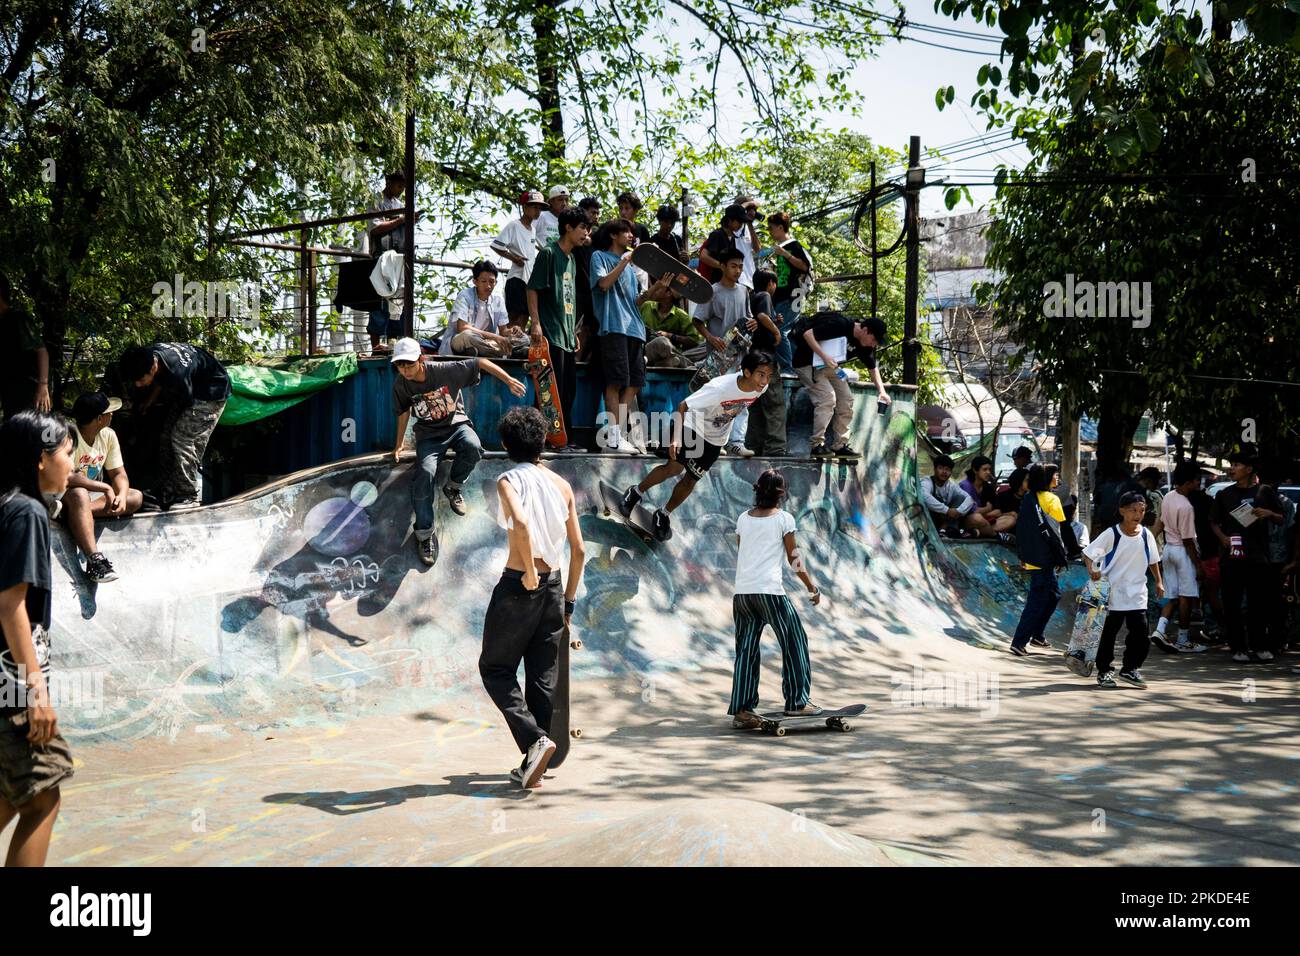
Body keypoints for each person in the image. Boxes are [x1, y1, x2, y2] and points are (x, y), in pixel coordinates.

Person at [479, 407, 585, 789]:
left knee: (495, 669)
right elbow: (579, 549)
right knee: (542, 673)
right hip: (555, 587)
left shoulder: (507, 480)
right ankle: (533, 764)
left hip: (519, 585)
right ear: (543, 442)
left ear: (506, 444)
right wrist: (569, 600)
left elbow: (521, 523)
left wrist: (526, 569)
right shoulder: (562, 485)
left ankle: (535, 741)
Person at [0, 409, 76, 866]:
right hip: (9, 688)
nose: (75, 465)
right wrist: (36, 692)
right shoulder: (25, 513)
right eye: (68, 454)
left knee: (12, 793)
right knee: (43, 798)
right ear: (40, 459)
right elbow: (11, 607)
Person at [389, 338, 526, 564]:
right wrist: (399, 443)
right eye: (400, 366)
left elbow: (479, 362)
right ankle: (424, 534)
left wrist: (508, 379)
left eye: (409, 365)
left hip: (456, 426)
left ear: (421, 360)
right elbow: (403, 412)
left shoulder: (444, 371)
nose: (405, 371)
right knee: (424, 475)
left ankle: (453, 487)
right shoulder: (401, 384)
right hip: (429, 436)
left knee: (474, 447)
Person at [618, 351, 775, 541]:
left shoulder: (761, 388)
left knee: (691, 479)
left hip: (716, 439)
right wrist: (676, 438)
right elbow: (683, 405)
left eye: (769, 376)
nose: (765, 381)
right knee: (674, 468)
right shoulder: (719, 388)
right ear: (747, 372)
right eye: (761, 374)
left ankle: (663, 513)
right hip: (693, 427)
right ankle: (635, 492)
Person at [729, 469, 823, 729]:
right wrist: (811, 587)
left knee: (746, 650)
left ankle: (743, 710)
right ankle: (797, 702)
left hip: (743, 594)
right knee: (794, 640)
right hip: (770, 593)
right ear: (782, 495)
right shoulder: (784, 519)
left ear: (757, 491)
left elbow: (743, 550)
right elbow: (794, 559)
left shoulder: (743, 519)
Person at [118, 342, 231, 511]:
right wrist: (151, 400)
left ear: (153, 367)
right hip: (191, 387)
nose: (138, 385)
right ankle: (167, 490)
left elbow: (188, 411)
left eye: (141, 380)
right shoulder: (149, 354)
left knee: (182, 438)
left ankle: (188, 494)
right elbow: (162, 380)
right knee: (165, 437)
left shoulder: (178, 374)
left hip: (212, 391)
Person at [590, 219, 669, 454]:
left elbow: (636, 300)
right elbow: (603, 284)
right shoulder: (600, 257)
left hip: (635, 329)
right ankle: (614, 438)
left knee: (634, 383)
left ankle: (618, 435)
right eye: (626, 232)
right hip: (613, 327)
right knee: (615, 381)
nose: (631, 236)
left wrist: (657, 289)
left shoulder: (631, 270)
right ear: (614, 235)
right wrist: (624, 261)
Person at [1082, 491, 1164, 688]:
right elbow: (1089, 554)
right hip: (1113, 594)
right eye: (1133, 510)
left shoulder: (1146, 535)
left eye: (1142, 510)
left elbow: (1153, 561)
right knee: (1108, 635)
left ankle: (1130, 669)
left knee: (1141, 635)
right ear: (1122, 511)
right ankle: (1104, 671)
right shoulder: (1111, 535)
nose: (1138, 514)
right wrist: (1092, 569)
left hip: (1137, 594)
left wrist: (1159, 582)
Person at [1210, 448, 1285, 662]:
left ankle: (1260, 646)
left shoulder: (1264, 492)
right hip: (1231, 557)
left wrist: (1269, 513)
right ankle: (1237, 648)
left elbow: (1281, 518)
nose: (1231, 469)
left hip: (1258, 557)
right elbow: (1213, 522)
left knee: (1258, 604)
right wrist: (1223, 538)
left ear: (1249, 469)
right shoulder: (1224, 494)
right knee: (1232, 604)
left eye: (1236, 465)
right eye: (1231, 465)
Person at [62, 393, 144, 583]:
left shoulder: (108, 435)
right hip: (67, 492)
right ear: (99, 418)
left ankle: (75, 515)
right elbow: (66, 476)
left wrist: (121, 495)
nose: (112, 415)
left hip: (88, 499)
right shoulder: (68, 436)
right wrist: (105, 488)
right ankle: (95, 561)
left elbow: (118, 473)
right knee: (80, 494)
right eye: (108, 412)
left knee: (135, 497)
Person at [527, 208, 590, 449]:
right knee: (548, 391)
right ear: (568, 228)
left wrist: (573, 331)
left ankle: (561, 440)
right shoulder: (548, 254)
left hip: (566, 334)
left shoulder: (573, 259)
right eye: (582, 227)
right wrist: (536, 323)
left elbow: (569, 298)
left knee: (567, 392)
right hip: (549, 333)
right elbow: (532, 288)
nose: (586, 233)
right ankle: (536, 441)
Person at [792, 312, 891, 459]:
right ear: (865, 331)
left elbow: (872, 367)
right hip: (807, 363)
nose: (874, 344)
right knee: (827, 398)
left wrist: (882, 391)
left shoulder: (864, 345)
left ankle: (840, 445)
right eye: (874, 339)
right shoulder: (840, 324)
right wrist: (824, 356)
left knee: (847, 398)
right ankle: (817, 445)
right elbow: (808, 334)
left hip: (831, 367)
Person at [691, 248, 755, 457]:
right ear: (723, 266)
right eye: (734, 266)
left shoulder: (745, 291)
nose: (737, 270)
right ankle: (714, 442)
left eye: (740, 266)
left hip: (741, 356)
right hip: (718, 358)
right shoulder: (712, 291)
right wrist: (710, 338)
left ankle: (736, 442)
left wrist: (754, 323)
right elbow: (697, 320)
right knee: (719, 400)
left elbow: (747, 319)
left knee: (741, 401)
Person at [1009, 464, 1068, 655]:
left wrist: (1023, 554)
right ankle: (1019, 642)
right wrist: (1065, 555)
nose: (1057, 478)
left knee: (1053, 595)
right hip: (1045, 558)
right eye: (1055, 475)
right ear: (1047, 478)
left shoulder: (1028, 498)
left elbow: (1022, 529)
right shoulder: (1052, 500)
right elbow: (1060, 532)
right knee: (1037, 600)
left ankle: (1037, 635)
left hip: (1033, 556)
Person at [1150, 461, 1208, 654]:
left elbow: (1160, 523)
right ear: (1190, 481)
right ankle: (1183, 639)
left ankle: (1159, 630)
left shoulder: (1168, 497)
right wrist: (1198, 565)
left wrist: (1148, 544)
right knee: (1186, 598)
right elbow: (1188, 541)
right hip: (1182, 552)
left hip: (1168, 550)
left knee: (1172, 597)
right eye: (1197, 479)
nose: (1199, 483)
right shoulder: (1186, 507)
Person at [366, 172, 419, 351]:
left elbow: (401, 226)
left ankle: (393, 342)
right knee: (380, 301)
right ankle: (375, 345)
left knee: (399, 301)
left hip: (399, 257)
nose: (401, 190)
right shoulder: (375, 201)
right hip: (381, 257)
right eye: (398, 186)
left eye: (403, 188)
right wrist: (401, 220)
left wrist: (409, 221)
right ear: (388, 182)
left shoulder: (400, 205)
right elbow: (374, 229)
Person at [744, 269, 787, 456]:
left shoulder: (752, 297)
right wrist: (776, 332)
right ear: (770, 282)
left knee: (755, 404)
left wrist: (775, 321)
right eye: (775, 283)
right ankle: (776, 447)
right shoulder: (764, 296)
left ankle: (755, 445)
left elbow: (762, 320)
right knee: (774, 403)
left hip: (753, 356)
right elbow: (762, 317)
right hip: (765, 357)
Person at [765, 212, 812, 374]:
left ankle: (788, 368)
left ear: (780, 227)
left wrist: (785, 254)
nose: (770, 232)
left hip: (793, 296)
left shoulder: (792, 245)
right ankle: (794, 366)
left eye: (771, 228)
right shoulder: (780, 248)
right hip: (783, 296)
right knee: (786, 332)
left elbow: (805, 266)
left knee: (779, 330)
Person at [0, 274, 51, 419]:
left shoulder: (18, 319)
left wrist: (43, 386)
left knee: (33, 433)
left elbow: (41, 351)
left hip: (29, 394)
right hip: (9, 396)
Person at [1257, 461, 1296, 656]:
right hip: (1259, 559)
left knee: (1277, 603)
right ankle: (1264, 640)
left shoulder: (1285, 504)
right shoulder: (1255, 501)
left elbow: (1291, 533)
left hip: (1278, 561)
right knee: (1261, 602)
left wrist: (1292, 562)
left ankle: (1277, 639)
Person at [491, 191, 546, 326]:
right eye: (534, 207)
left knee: (525, 315)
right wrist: (514, 258)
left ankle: (515, 345)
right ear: (524, 207)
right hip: (517, 277)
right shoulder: (514, 225)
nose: (537, 211)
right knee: (513, 316)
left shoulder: (532, 229)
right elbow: (496, 245)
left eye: (539, 208)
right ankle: (505, 343)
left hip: (529, 278)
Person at [443, 261, 517, 357]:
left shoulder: (498, 299)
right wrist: (495, 337)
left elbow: (503, 331)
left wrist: (513, 331)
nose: (488, 286)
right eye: (483, 281)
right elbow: (462, 328)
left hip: (488, 342)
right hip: (462, 340)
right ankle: (506, 352)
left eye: (491, 281)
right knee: (468, 336)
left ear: (496, 282)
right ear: (475, 282)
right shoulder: (464, 296)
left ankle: (481, 351)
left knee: (523, 339)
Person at [921, 455, 1002, 540]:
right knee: (977, 518)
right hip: (930, 519)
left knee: (960, 498)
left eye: (947, 469)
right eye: (941, 468)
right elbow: (925, 497)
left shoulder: (951, 485)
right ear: (934, 469)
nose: (944, 472)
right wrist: (947, 510)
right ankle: (992, 535)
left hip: (948, 519)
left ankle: (949, 530)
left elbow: (969, 499)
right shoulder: (927, 482)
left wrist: (958, 512)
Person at [641, 283, 699, 369]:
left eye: (659, 288)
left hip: (669, 353)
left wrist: (671, 336)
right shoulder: (646, 306)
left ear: (669, 293)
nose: (655, 289)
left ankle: (670, 362)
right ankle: (683, 362)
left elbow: (694, 340)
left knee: (706, 347)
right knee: (662, 341)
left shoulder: (681, 316)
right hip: (645, 351)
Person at [574, 198, 601, 360]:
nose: (596, 216)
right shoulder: (573, 233)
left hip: (593, 288)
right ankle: (574, 358)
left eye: (598, 213)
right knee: (574, 325)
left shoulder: (600, 237)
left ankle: (581, 358)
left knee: (590, 326)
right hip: (576, 288)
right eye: (593, 212)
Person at [959, 455, 1014, 533]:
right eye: (984, 469)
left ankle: (979, 532)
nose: (988, 472)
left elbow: (998, 511)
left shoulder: (987, 487)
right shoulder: (965, 485)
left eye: (989, 469)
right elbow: (972, 512)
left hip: (986, 521)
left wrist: (984, 513)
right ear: (975, 470)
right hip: (969, 521)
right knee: (977, 518)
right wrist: (987, 509)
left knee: (1011, 519)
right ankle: (995, 535)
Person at [698, 205, 747, 282]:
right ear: (729, 220)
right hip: (715, 283)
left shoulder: (732, 238)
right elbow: (703, 256)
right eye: (739, 221)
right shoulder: (717, 235)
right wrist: (722, 266)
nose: (741, 225)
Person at [731, 196, 761, 288]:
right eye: (749, 209)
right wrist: (747, 205)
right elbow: (736, 212)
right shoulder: (732, 226)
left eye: (754, 210)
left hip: (750, 278)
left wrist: (750, 223)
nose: (753, 212)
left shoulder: (747, 227)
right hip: (738, 278)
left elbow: (757, 249)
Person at [993, 467, 1029, 533]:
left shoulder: (1029, 497)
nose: (1030, 483)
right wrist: (1010, 514)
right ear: (1019, 481)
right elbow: (996, 515)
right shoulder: (1003, 497)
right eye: (1027, 480)